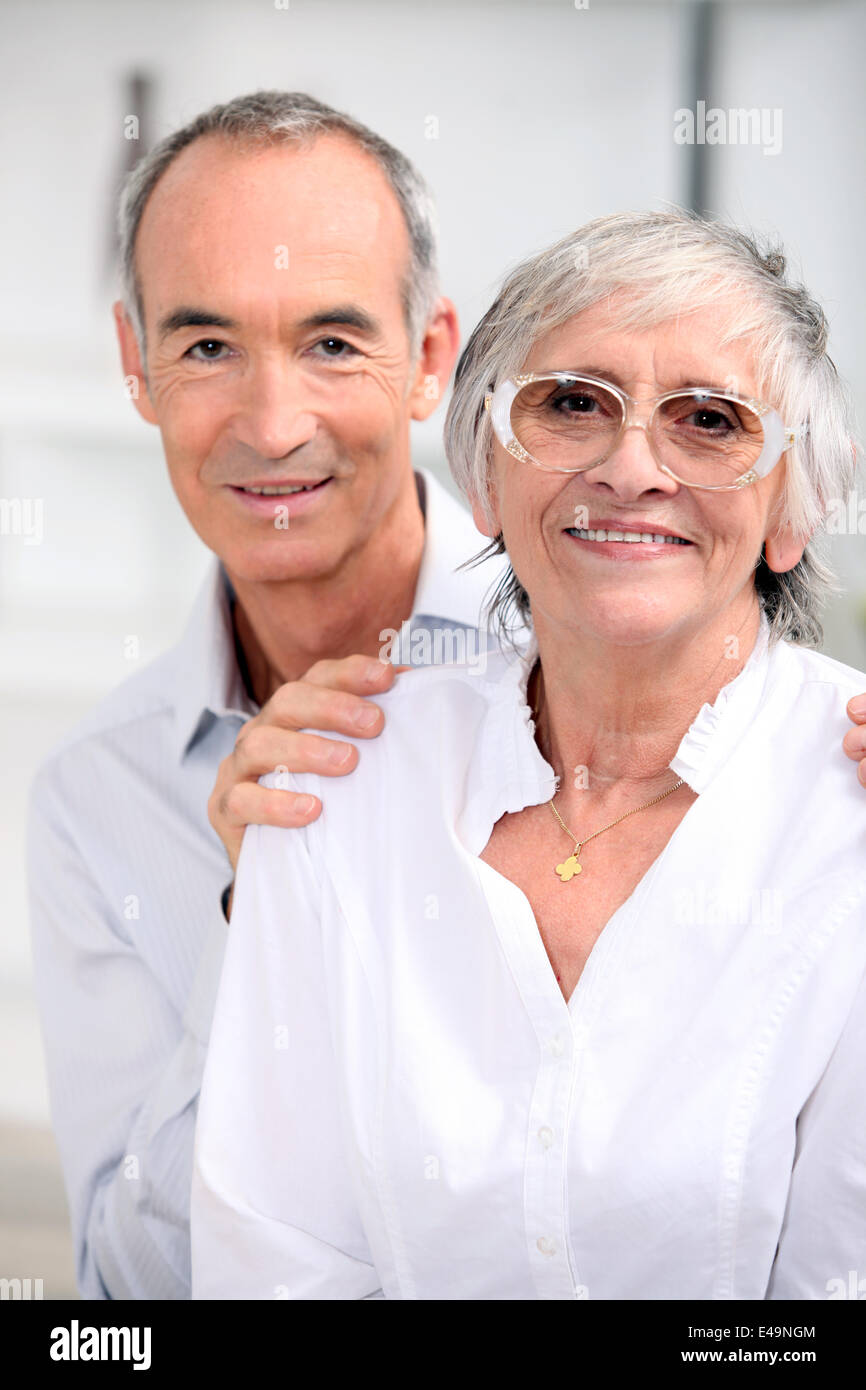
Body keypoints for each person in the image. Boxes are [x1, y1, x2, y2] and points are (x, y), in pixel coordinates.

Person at [191, 210, 866, 1300]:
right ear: (488, 481)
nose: (630, 467)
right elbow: (272, 1263)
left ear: (790, 511)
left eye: (708, 419)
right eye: (570, 404)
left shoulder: (849, 815)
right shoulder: (333, 783)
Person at [26, 89, 508, 1300]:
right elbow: (126, 1291)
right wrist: (256, 918)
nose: (271, 422)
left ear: (429, 359)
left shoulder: (605, 678)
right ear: (138, 370)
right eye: (205, 347)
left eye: (333, 342)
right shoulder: (97, 796)